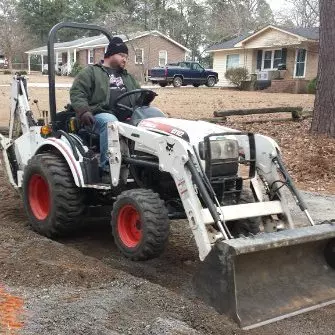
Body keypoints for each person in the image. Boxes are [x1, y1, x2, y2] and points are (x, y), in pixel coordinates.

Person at [70, 36, 140, 173]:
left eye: (126, 56)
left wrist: (146, 99)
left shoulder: (127, 77)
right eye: (122, 55)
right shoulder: (91, 72)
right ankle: (109, 169)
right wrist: (83, 111)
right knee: (111, 123)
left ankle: (144, 167)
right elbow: (77, 92)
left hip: (127, 116)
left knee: (150, 119)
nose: (125, 59)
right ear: (110, 54)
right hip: (98, 116)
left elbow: (138, 94)